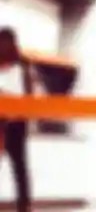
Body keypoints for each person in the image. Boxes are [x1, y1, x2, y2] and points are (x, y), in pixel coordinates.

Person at [0, 28, 35, 212]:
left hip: (16, 121)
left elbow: (28, 94)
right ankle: (24, 204)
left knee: (19, 165)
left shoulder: (23, 65)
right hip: (3, 120)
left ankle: (24, 206)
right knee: (20, 165)